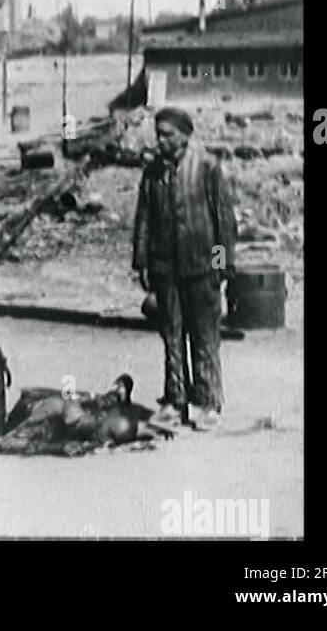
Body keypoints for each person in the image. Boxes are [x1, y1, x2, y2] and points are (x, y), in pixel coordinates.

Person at [132, 107, 238, 431]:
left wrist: (222, 267)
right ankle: (175, 400)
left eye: (168, 134)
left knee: (205, 336)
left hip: (202, 268)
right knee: (172, 336)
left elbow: (224, 223)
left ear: (185, 134)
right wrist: (143, 264)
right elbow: (143, 221)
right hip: (165, 269)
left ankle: (208, 402)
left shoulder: (207, 167)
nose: (161, 140)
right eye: (158, 134)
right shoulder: (152, 173)